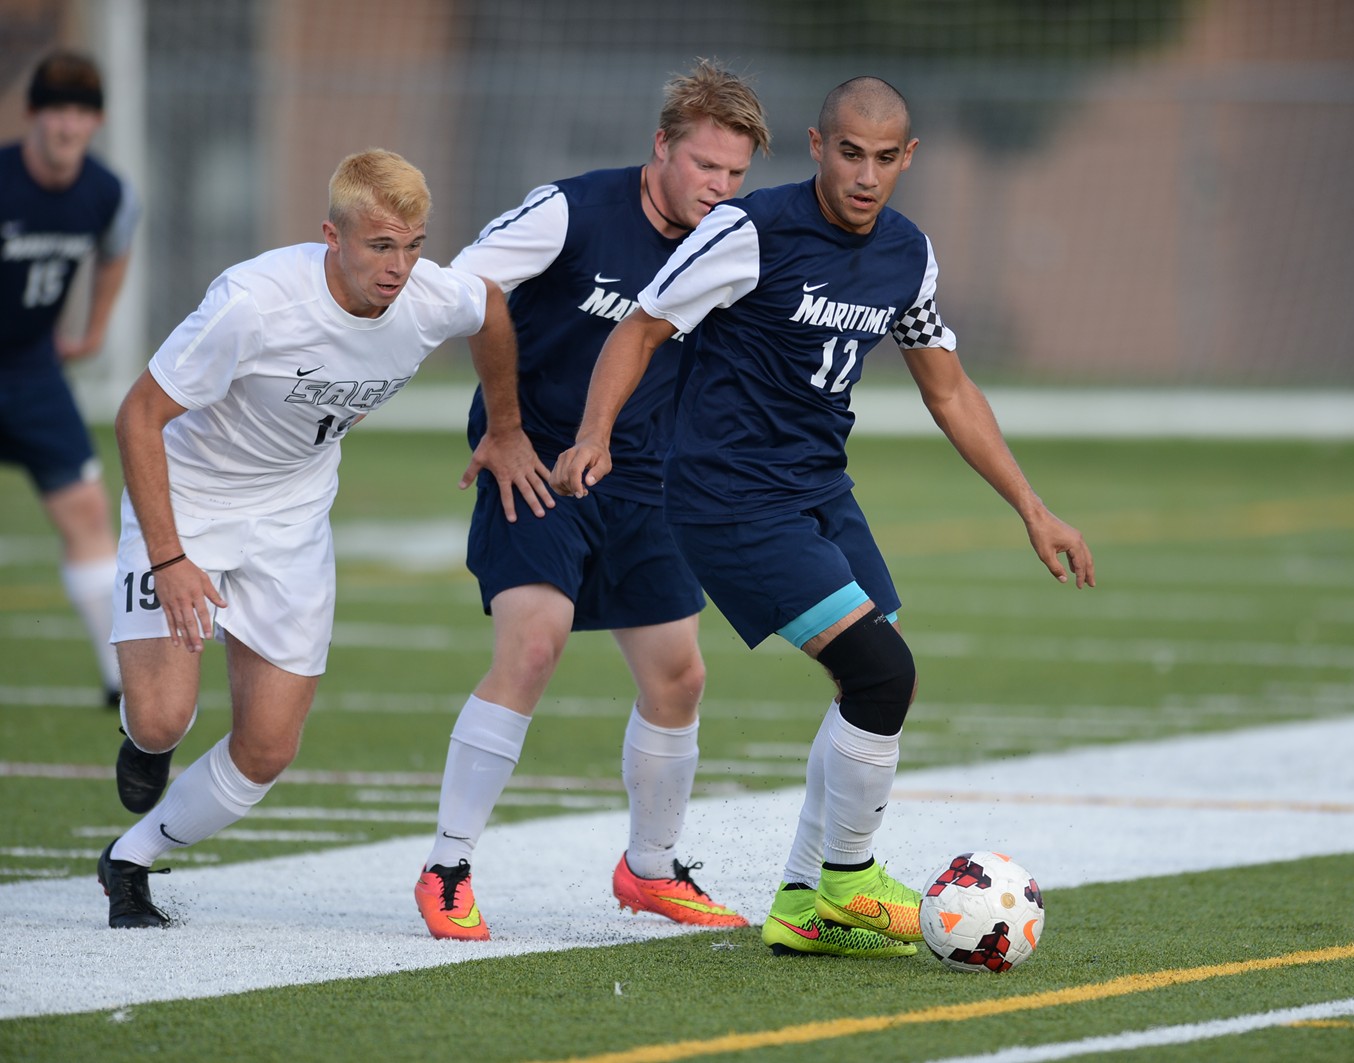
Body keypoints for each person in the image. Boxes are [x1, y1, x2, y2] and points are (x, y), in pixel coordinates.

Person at [552, 77, 1095, 958]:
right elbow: (642, 327)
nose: (866, 175)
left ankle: (806, 898)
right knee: (882, 671)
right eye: (850, 153)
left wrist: (1034, 507)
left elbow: (947, 387)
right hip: (728, 495)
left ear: (908, 158)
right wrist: (593, 434)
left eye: (886, 158)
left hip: (817, 488)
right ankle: (846, 881)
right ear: (816, 145)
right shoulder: (749, 229)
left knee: (876, 684)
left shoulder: (909, 254)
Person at [412, 59, 847, 947]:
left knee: (680, 677)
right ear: (662, 147)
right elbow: (463, 287)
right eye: (704, 167)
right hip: (537, 466)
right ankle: (448, 866)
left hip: (650, 480)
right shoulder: (572, 210)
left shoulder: (733, 237)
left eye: (735, 175)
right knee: (532, 644)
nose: (720, 189)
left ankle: (649, 869)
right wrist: (502, 426)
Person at [95, 148, 545, 929]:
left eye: (413, 244)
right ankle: (144, 740)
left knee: (267, 749)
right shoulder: (254, 302)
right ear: (330, 236)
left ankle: (128, 858)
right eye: (380, 245)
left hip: (294, 515)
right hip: (189, 502)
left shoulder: (432, 295)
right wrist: (170, 557)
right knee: (164, 716)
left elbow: (492, 307)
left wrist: (505, 427)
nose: (399, 266)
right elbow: (138, 415)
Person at [1, 50, 139, 709]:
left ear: (98, 121)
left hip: (32, 370)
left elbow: (116, 250)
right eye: (56, 110)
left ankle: (121, 676)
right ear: (33, 114)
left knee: (86, 509)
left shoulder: (107, 192)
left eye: (82, 113)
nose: (67, 127)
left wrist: (94, 328)